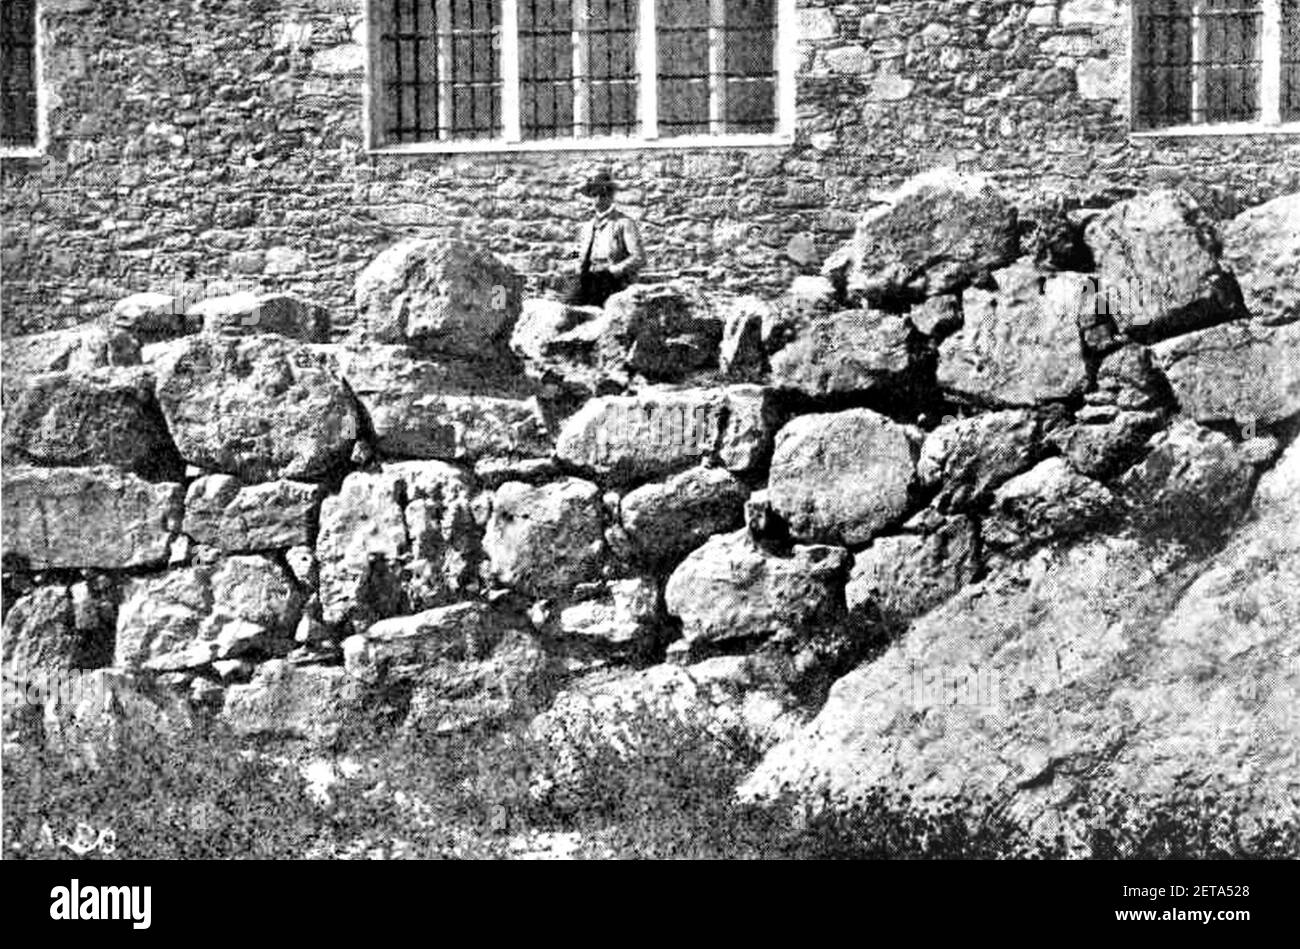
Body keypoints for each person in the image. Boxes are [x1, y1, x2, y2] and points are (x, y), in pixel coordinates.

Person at [565, 169, 646, 307]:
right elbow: (577, 251)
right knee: (567, 307)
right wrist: (570, 260)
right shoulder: (587, 227)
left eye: (603, 195)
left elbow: (639, 257)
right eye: (594, 195)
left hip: (613, 283)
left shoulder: (624, 223)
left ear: (611, 196)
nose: (598, 200)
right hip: (587, 280)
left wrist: (614, 270)